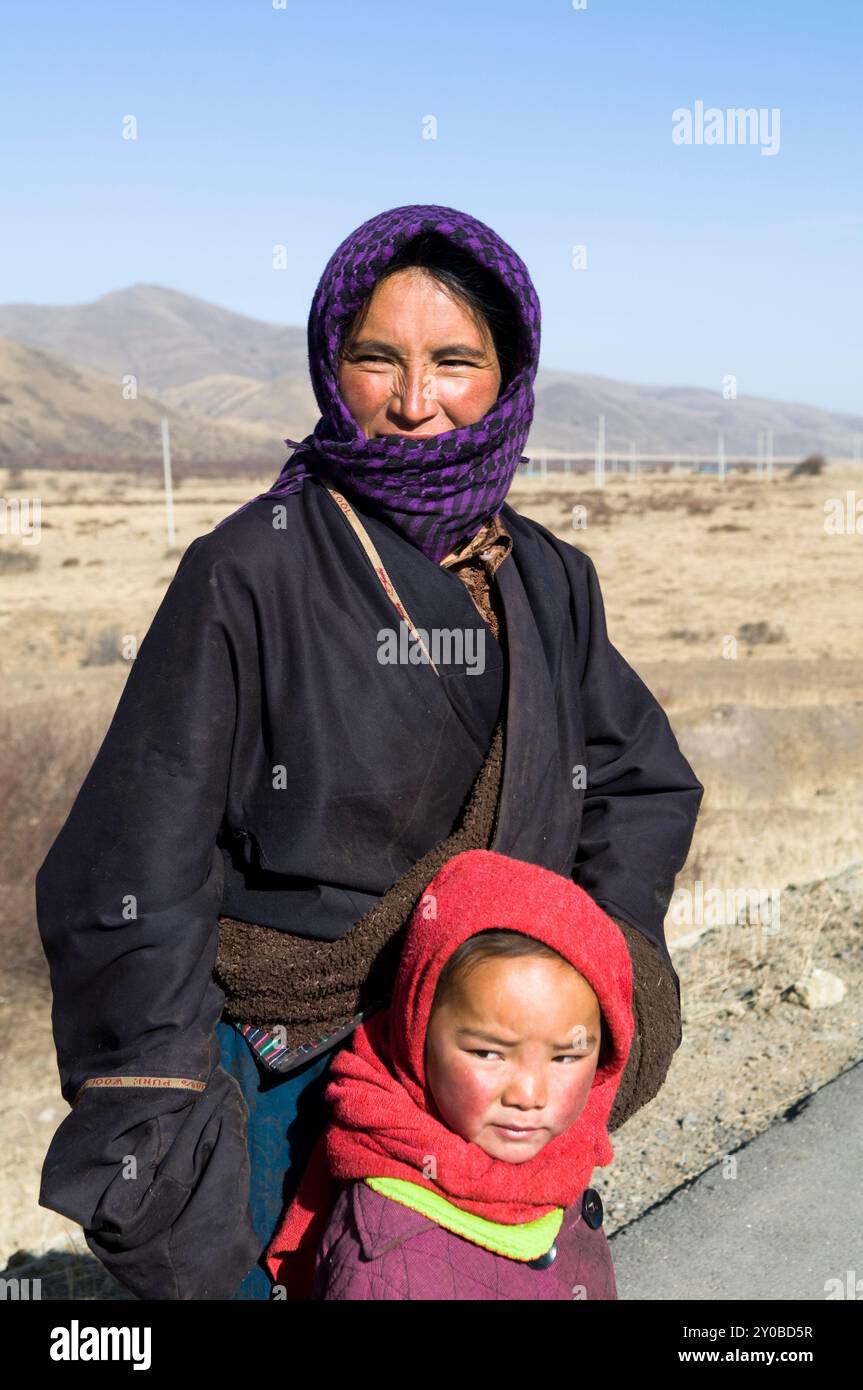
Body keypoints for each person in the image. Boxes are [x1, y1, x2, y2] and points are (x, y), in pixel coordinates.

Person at [35, 203, 703, 1302]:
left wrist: (568, 964)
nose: (411, 402)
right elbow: (138, 854)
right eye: (374, 359)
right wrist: (159, 1092)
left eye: (453, 361)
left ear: (507, 376)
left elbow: (637, 780)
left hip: (476, 1057)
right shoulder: (250, 569)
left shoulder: (545, 578)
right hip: (286, 1063)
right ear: (327, 365)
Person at [266, 849, 634, 1301]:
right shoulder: (384, 1263)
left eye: (565, 1057)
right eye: (487, 1053)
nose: (530, 1094)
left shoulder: (564, 1157)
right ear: (416, 1035)